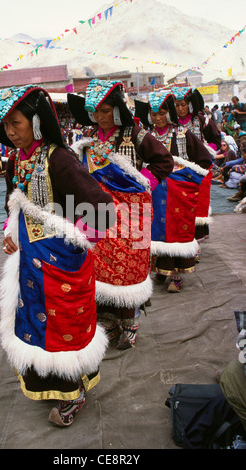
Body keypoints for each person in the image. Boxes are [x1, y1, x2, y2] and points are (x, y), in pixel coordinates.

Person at [0, 84, 116, 427]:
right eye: (5, 125)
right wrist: (10, 232)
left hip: (61, 263)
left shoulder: (59, 158)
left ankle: (73, 390)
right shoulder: (15, 160)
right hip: (29, 263)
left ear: (36, 122)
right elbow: (14, 202)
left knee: (64, 324)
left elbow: (100, 208)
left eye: (16, 123)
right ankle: (49, 381)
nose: (10, 132)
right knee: (34, 322)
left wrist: (74, 242)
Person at [68, 79, 174, 349]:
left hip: (132, 214)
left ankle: (131, 322)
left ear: (117, 109)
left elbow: (164, 161)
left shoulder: (136, 134)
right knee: (100, 268)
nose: (101, 117)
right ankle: (108, 322)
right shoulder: (90, 140)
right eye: (96, 112)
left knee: (128, 271)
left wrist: (141, 183)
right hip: (99, 215)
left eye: (106, 111)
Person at [135, 90, 212, 292]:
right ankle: (162, 270)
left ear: (169, 114)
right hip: (155, 192)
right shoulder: (147, 136)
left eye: (161, 113)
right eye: (154, 114)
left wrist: (185, 178)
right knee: (157, 232)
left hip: (178, 194)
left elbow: (204, 161)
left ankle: (177, 276)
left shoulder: (182, 134)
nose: (158, 118)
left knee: (177, 232)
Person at [171, 86, 220, 246]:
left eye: (183, 105)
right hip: (180, 169)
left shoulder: (202, 120)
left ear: (190, 105)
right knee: (181, 204)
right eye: (177, 105)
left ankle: (197, 240)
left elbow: (215, 140)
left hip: (201, 168)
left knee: (199, 204)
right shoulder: (172, 122)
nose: (180, 108)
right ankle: (183, 237)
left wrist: (206, 151)